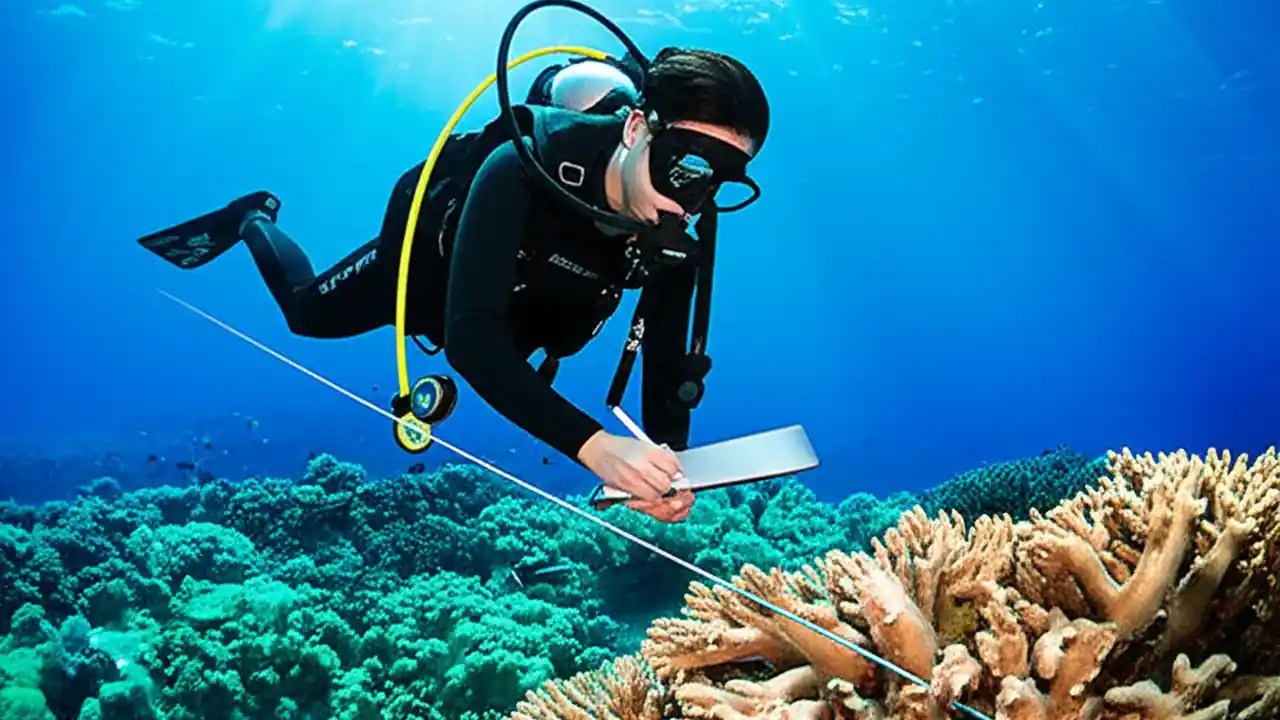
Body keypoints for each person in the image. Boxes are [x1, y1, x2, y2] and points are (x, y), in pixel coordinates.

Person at [136, 47, 770, 524]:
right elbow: (470, 338)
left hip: (529, 319)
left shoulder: (683, 215)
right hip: (431, 279)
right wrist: (595, 448)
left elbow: (664, 353)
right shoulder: (527, 162)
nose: (694, 199)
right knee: (305, 315)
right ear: (636, 129)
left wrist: (663, 463)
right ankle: (252, 218)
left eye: (723, 180)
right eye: (685, 166)